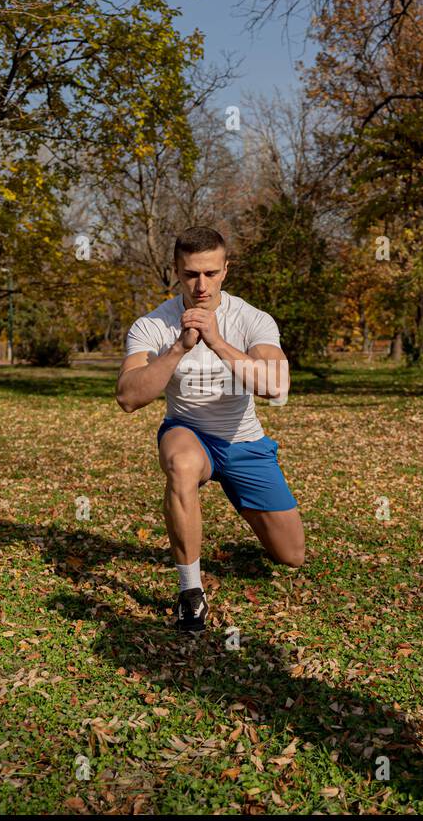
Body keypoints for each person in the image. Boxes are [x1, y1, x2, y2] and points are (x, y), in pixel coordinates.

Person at [116, 226, 305, 633]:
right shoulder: (152, 325)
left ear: (225, 270)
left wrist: (216, 340)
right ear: (176, 272)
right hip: (189, 434)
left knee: (291, 556)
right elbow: (129, 397)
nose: (201, 285)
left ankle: (245, 505)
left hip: (244, 443)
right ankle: (190, 592)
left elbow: (276, 386)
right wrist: (179, 347)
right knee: (182, 463)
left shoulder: (251, 319)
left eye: (211, 273)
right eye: (191, 275)